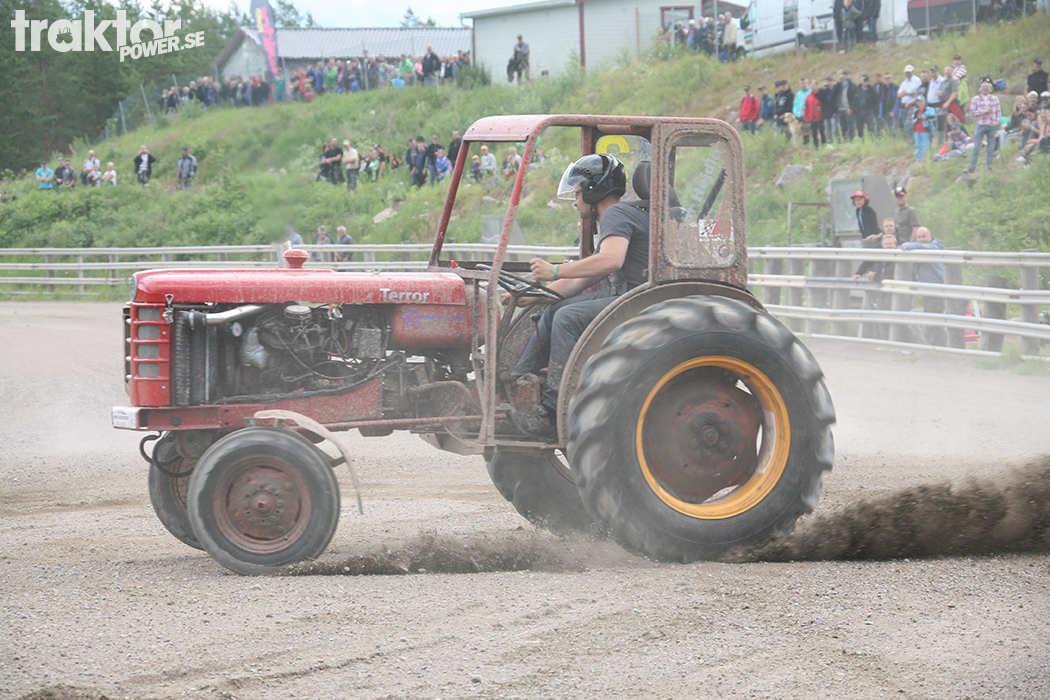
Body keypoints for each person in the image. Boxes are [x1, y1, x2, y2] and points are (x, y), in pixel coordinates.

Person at [507, 154, 647, 438]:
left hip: (638, 298)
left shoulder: (616, 215)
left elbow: (611, 261)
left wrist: (555, 270)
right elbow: (583, 278)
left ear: (595, 190)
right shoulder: (624, 215)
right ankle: (515, 382)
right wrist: (534, 294)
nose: (574, 199)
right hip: (627, 294)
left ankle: (554, 406)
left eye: (578, 190)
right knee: (557, 309)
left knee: (568, 317)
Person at [966, 77, 1001, 174]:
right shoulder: (976, 99)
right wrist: (984, 111)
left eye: (987, 86)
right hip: (980, 125)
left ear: (989, 88)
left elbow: (998, 112)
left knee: (991, 148)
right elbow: (972, 113)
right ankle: (971, 167)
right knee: (976, 147)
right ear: (980, 88)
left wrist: (996, 122)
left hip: (991, 126)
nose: (985, 88)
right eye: (983, 86)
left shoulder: (995, 99)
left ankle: (989, 167)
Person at [833, 69, 859, 142]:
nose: (845, 76)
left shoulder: (853, 86)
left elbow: (856, 99)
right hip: (841, 110)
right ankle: (845, 141)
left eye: (847, 74)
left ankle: (851, 142)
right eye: (844, 74)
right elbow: (834, 93)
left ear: (850, 75)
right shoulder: (840, 85)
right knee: (843, 128)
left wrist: (852, 109)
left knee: (851, 127)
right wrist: (838, 82)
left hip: (849, 110)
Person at [897, 65, 922, 135]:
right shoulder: (904, 82)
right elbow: (899, 94)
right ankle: (909, 140)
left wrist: (905, 92)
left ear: (913, 72)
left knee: (909, 124)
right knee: (905, 125)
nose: (908, 74)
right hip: (904, 105)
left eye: (909, 72)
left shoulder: (917, 80)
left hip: (912, 105)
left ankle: (912, 141)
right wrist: (909, 93)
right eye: (906, 72)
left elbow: (912, 90)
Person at [910, 96, 936, 162]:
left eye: (921, 101)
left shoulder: (928, 109)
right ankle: (918, 159)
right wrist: (918, 117)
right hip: (917, 130)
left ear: (924, 101)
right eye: (918, 102)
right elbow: (913, 119)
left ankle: (927, 159)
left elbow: (933, 118)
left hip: (925, 130)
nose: (920, 103)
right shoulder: (915, 110)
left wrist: (926, 117)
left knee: (927, 145)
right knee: (918, 145)